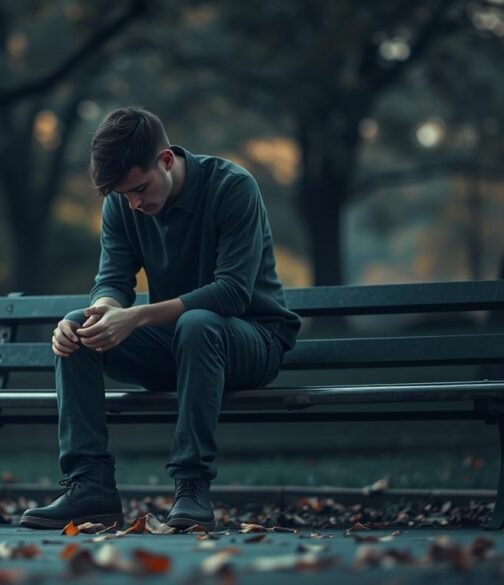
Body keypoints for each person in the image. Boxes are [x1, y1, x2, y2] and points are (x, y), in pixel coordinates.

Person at [18, 107, 302, 531]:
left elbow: (232, 293)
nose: (134, 204)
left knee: (199, 323)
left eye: (139, 188)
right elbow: (112, 281)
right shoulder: (122, 203)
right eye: (123, 195)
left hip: (252, 342)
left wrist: (136, 318)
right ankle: (89, 486)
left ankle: (191, 485)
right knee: (77, 325)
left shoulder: (233, 187)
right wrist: (103, 313)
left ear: (166, 160)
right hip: (180, 344)